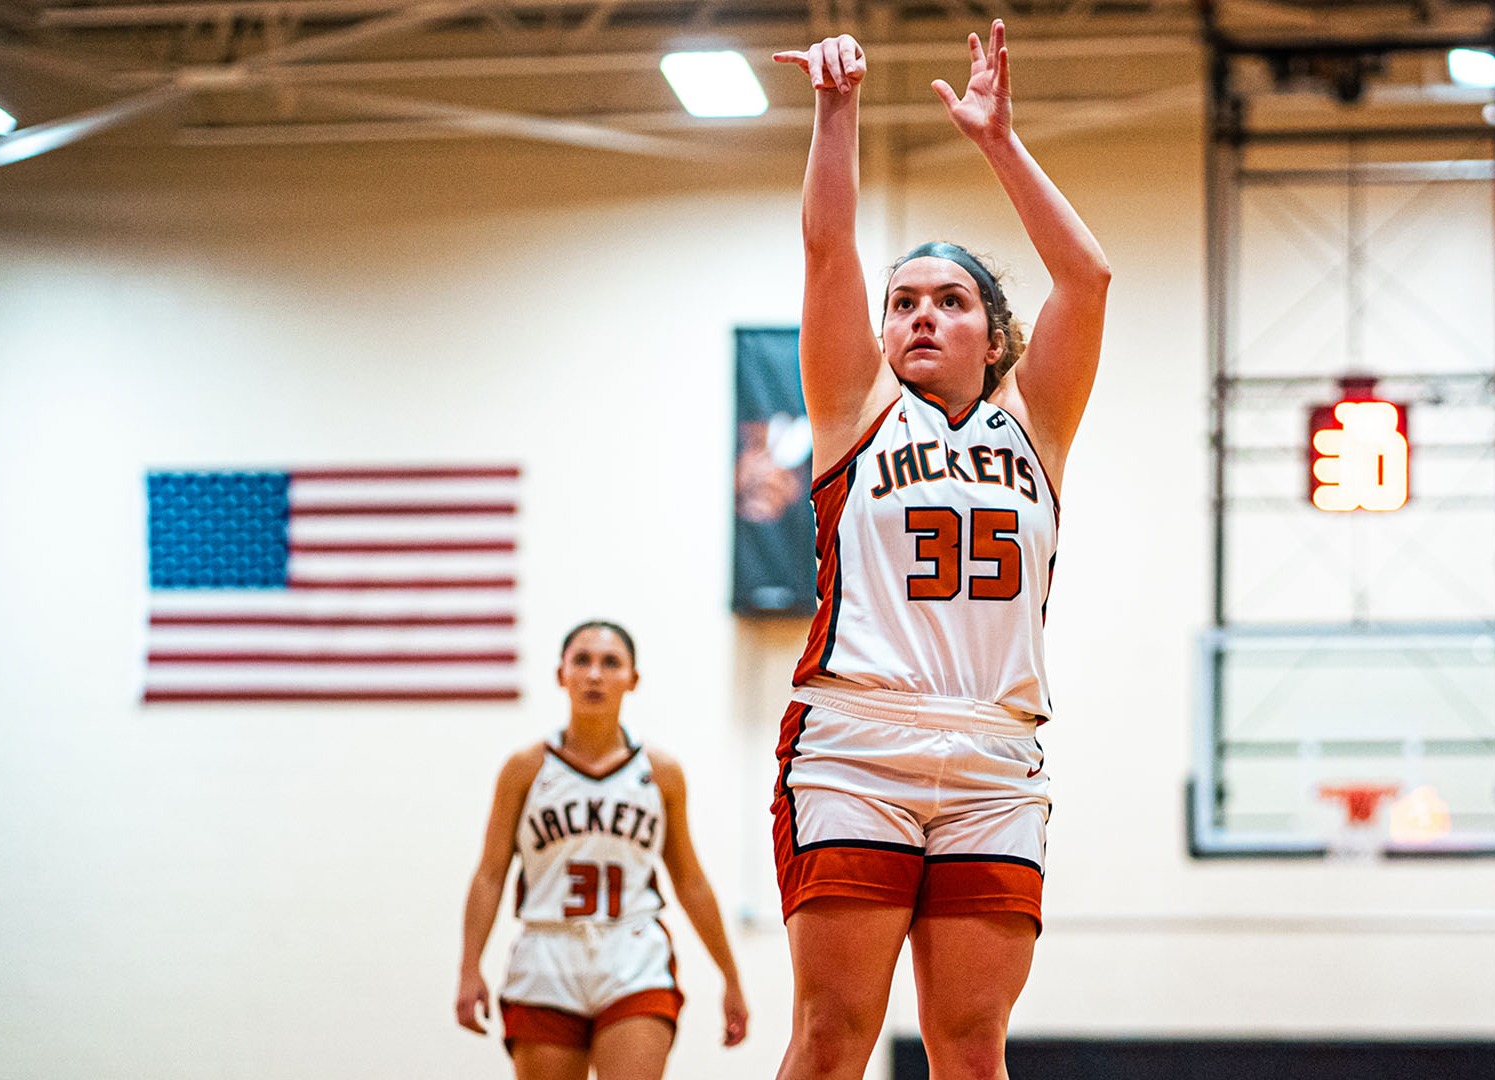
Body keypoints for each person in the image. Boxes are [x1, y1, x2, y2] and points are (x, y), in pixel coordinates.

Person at [768, 19, 1110, 1080]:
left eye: (950, 301)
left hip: (996, 755)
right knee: (833, 1038)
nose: (921, 316)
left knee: (970, 1046)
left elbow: (1088, 278)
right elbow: (828, 248)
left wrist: (998, 141)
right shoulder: (855, 410)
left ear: (994, 337)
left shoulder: (1037, 424)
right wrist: (837, 110)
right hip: (857, 743)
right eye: (904, 303)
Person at [456, 620, 749, 1079]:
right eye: (582, 660)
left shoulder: (661, 772)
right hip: (547, 953)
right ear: (561, 674)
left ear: (633, 679)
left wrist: (729, 976)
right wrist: (469, 967)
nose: (595, 674)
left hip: (633, 952)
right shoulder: (525, 769)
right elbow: (490, 874)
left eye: (611, 662)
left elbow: (689, 879)